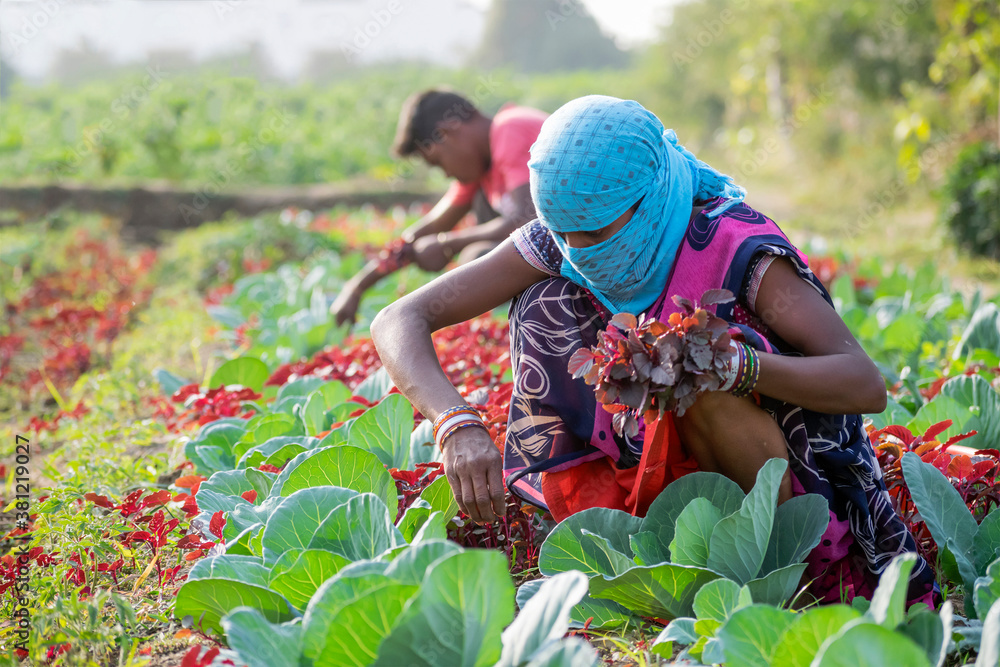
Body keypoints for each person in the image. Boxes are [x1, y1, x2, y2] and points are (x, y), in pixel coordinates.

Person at [370, 95, 938, 607]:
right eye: (564, 234)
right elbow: (400, 318)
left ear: (650, 199)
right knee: (544, 297)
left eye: (595, 233)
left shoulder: (733, 245)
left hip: (778, 500)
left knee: (700, 382)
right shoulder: (561, 236)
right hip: (653, 491)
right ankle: (637, 545)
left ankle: (789, 576)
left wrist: (738, 368)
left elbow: (864, 383)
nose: (579, 250)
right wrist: (455, 423)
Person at [330, 88, 549, 326]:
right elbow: (423, 233)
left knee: (477, 257)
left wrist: (447, 244)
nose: (445, 173)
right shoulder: (481, 167)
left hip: (587, 248)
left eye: (437, 162)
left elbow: (529, 220)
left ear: (447, 133)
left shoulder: (508, 128)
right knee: (480, 255)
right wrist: (358, 286)